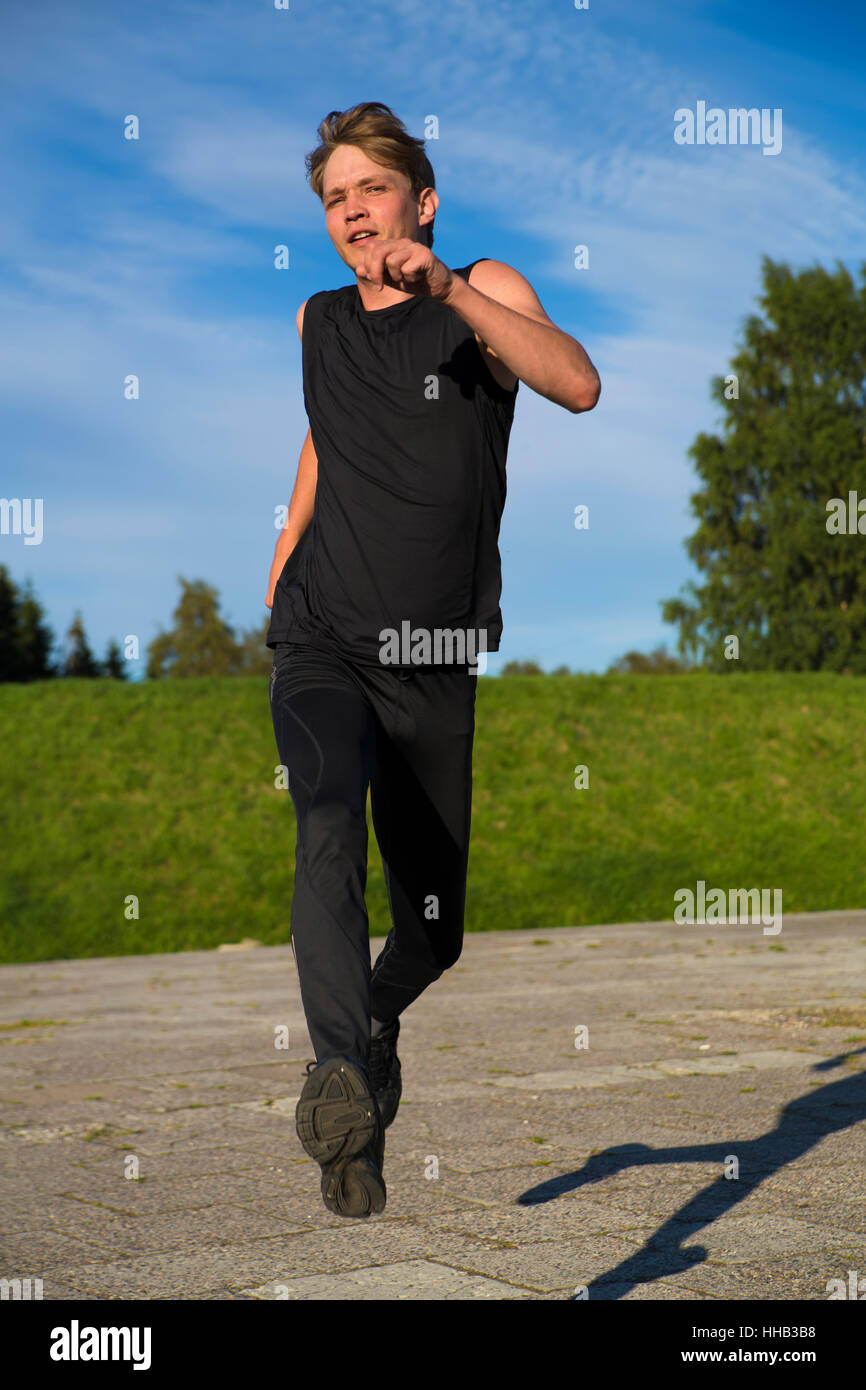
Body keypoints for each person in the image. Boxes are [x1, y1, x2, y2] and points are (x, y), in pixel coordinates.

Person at [265, 102, 600, 1219]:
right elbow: (324, 438)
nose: (352, 210)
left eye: (370, 189)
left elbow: (576, 383)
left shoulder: (482, 289)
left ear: (423, 200)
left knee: (433, 931)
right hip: (322, 637)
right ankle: (341, 1086)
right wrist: (279, 566)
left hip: (436, 652)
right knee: (324, 814)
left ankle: (370, 1028)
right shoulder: (318, 321)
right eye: (332, 198)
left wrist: (450, 288)